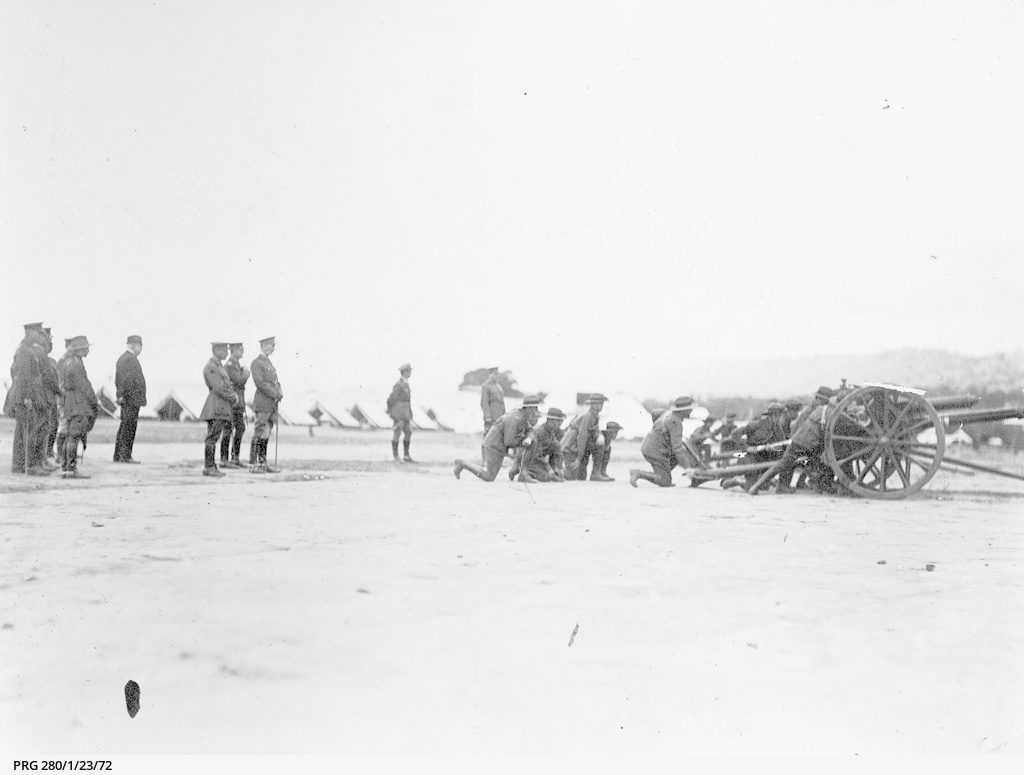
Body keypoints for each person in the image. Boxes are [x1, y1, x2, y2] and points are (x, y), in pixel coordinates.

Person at [454, 394, 541, 482]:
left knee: (532, 441)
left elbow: (530, 430)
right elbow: (509, 441)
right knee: (489, 477)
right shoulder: (515, 417)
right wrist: (522, 444)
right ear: (529, 408)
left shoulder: (523, 416)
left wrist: (529, 438)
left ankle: (523, 474)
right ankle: (462, 463)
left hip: (501, 444)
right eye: (535, 408)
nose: (537, 411)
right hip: (494, 444)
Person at [4, 322, 49, 475]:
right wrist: (27, 397)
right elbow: (23, 376)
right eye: (38, 333)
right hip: (25, 398)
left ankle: (19, 465)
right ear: (30, 333)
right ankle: (30, 466)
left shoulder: (26, 350)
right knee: (29, 431)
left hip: (24, 396)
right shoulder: (24, 351)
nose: (41, 335)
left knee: (23, 431)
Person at [774, 386, 838, 494]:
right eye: (822, 401)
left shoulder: (819, 410)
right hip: (799, 442)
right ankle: (810, 482)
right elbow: (798, 430)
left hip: (806, 442)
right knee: (796, 459)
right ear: (818, 399)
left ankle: (805, 482)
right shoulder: (810, 411)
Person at [629, 396, 700, 487]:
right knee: (665, 482)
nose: (691, 411)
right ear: (683, 411)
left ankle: (664, 475)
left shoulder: (669, 415)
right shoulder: (675, 422)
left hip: (651, 447)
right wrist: (687, 468)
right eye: (690, 409)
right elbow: (677, 448)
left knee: (678, 458)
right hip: (655, 451)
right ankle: (638, 473)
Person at [721, 402, 790, 490]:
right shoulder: (756, 424)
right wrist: (747, 448)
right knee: (750, 487)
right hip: (749, 458)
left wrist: (774, 449)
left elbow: (782, 446)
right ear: (771, 415)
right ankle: (736, 480)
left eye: (779, 415)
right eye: (776, 415)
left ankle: (762, 480)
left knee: (764, 487)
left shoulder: (778, 429)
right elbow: (735, 434)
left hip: (763, 459)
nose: (778, 417)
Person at [61, 336, 99, 479]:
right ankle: (71, 469)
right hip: (79, 404)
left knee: (69, 437)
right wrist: (94, 402)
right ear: (80, 350)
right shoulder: (76, 364)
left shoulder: (69, 362)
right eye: (86, 348)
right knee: (74, 436)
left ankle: (66, 468)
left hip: (71, 404)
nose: (88, 350)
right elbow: (85, 387)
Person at [199, 342, 237, 477]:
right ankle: (209, 467)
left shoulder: (218, 366)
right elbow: (219, 388)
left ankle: (211, 466)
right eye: (224, 350)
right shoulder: (211, 367)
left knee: (214, 437)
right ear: (216, 350)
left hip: (220, 407)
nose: (227, 353)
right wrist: (233, 397)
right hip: (215, 407)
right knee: (212, 437)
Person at [249, 336, 282, 473]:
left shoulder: (269, 363)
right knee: (259, 431)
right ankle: (253, 464)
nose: (273, 348)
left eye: (274, 345)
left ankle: (263, 463)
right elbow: (260, 383)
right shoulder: (256, 363)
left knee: (267, 433)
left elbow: (275, 381)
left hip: (271, 404)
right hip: (263, 403)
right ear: (263, 345)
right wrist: (275, 393)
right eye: (270, 345)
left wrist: (280, 391)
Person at [509, 406, 567, 482]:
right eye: (558, 421)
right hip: (528, 458)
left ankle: (549, 473)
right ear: (550, 420)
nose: (560, 424)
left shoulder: (551, 432)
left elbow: (556, 450)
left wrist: (558, 468)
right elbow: (536, 453)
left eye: (561, 421)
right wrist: (548, 468)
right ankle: (520, 472)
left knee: (557, 445)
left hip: (538, 460)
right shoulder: (538, 432)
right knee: (545, 477)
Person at [562, 393, 612, 482]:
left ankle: (597, 473)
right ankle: (595, 474)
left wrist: (600, 435)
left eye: (602, 404)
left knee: (581, 476)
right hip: (571, 447)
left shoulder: (594, 415)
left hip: (577, 447)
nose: (601, 406)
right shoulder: (587, 416)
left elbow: (595, 429)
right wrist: (578, 458)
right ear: (593, 404)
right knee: (570, 477)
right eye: (600, 404)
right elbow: (582, 437)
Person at [114, 335, 147, 463]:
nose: (141, 349)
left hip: (128, 399)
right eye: (140, 345)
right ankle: (125, 455)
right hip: (130, 399)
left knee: (125, 426)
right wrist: (122, 395)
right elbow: (125, 380)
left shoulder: (126, 358)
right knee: (129, 427)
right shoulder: (129, 359)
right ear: (134, 345)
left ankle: (119, 455)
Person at [220, 342, 249, 468]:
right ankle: (224, 459)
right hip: (231, 403)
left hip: (237, 403)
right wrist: (246, 373)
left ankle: (234, 457)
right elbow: (238, 380)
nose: (243, 351)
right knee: (228, 430)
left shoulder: (236, 364)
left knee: (240, 428)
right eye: (240, 349)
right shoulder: (231, 364)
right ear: (233, 350)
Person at [40, 327, 61, 466]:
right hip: (44, 398)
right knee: (44, 427)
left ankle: (48, 451)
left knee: (53, 425)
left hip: (52, 400)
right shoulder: (42, 361)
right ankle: (43, 455)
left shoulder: (52, 361)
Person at [386, 363, 415, 462]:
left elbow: (408, 401)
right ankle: (396, 456)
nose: (410, 373)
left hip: (405, 413)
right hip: (399, 413)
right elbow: (391, 399)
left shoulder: (406, 383)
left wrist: (410, 413)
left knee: (408, 432)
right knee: (397, 432)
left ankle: (406, 456)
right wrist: (391, 411)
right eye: (409, 371)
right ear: (405, 372)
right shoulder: (399, 384)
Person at [480, 367, 505, 434]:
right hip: (491, 418)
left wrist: (504, 417)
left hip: (500, 418)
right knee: (488, 437)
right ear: (490, 374)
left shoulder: (499, 387)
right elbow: (484, 403)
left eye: (497, 374)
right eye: (494, 374)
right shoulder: (486, 386)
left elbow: (502, 404)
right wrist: (487, 418)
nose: (496, 376)